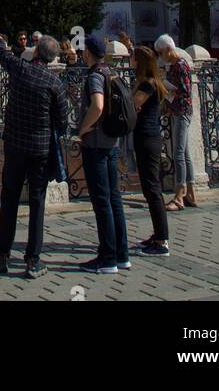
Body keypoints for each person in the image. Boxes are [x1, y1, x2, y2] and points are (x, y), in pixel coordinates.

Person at [0, 34, 69, 279]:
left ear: (35, 52)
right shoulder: (54, 83)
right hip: (40, 150)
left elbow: (3, 56)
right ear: (53, 59)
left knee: (9, 197)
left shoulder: (21, 70)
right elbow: (63, 121)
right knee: (37, 202)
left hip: (15, 144)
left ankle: (1, 254)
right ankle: (33, 260)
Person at [77, 33, 130, 275]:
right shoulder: (111, 72)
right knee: (114, 199)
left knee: (102, 201)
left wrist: (83, 128)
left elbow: (97, 105)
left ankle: (107, 258)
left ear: (88, 52)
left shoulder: (94, 76)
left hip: (97, 145)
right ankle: (122, 254)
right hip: (112, 143)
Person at [131, 47, 169, 255]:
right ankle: (157, 235)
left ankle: (162, 241)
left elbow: (133, 104)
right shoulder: (152, 83)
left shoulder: (148, 85)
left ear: (139, 61)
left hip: (147, 137)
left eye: (132, 57)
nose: (130, 59)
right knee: (149, 187)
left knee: (152, 188)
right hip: (148, 136)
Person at [154, 34, 196, 210]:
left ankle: (179, 195)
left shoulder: (180, 65)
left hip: (182, 111)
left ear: (169, 49)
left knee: (178, 153)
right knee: (184, 154)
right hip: (177, 110)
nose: (160, 56)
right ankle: (191, 193)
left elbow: (186, 90)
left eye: (161, 52)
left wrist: (168, 90)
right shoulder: (173, 66)